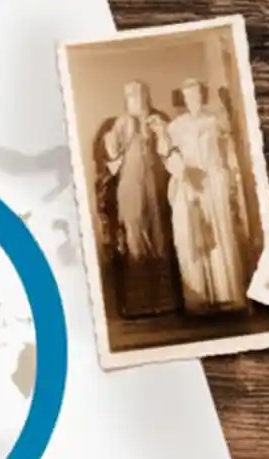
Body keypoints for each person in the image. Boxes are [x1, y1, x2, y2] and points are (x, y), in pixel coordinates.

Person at [163, 78, 251, 313]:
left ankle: (225, 294)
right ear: (183, 98)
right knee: (194, 234)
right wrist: (183, 172)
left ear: (202, 96)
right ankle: (200, 298)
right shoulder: (175, 127)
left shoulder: (214, 122)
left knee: (219, 234)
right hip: (189, 181)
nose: (194, 99)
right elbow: (168, 156)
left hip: (213, 181)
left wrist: (228, 177)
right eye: (188, 95)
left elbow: (227, 151)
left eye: (197, 94)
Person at [98, 80, 182, 318]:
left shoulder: (157, 119)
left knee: (159, 238)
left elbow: (168, 154)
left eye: (139, 92)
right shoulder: (121, 123)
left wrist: (159, 131)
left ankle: (165, 299)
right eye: (130, 93)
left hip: (155, 188)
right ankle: (139, 302)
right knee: (134, 238)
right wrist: (114, 136)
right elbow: (112, 157)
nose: (135, 97)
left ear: (147, 94)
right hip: (131, 187)